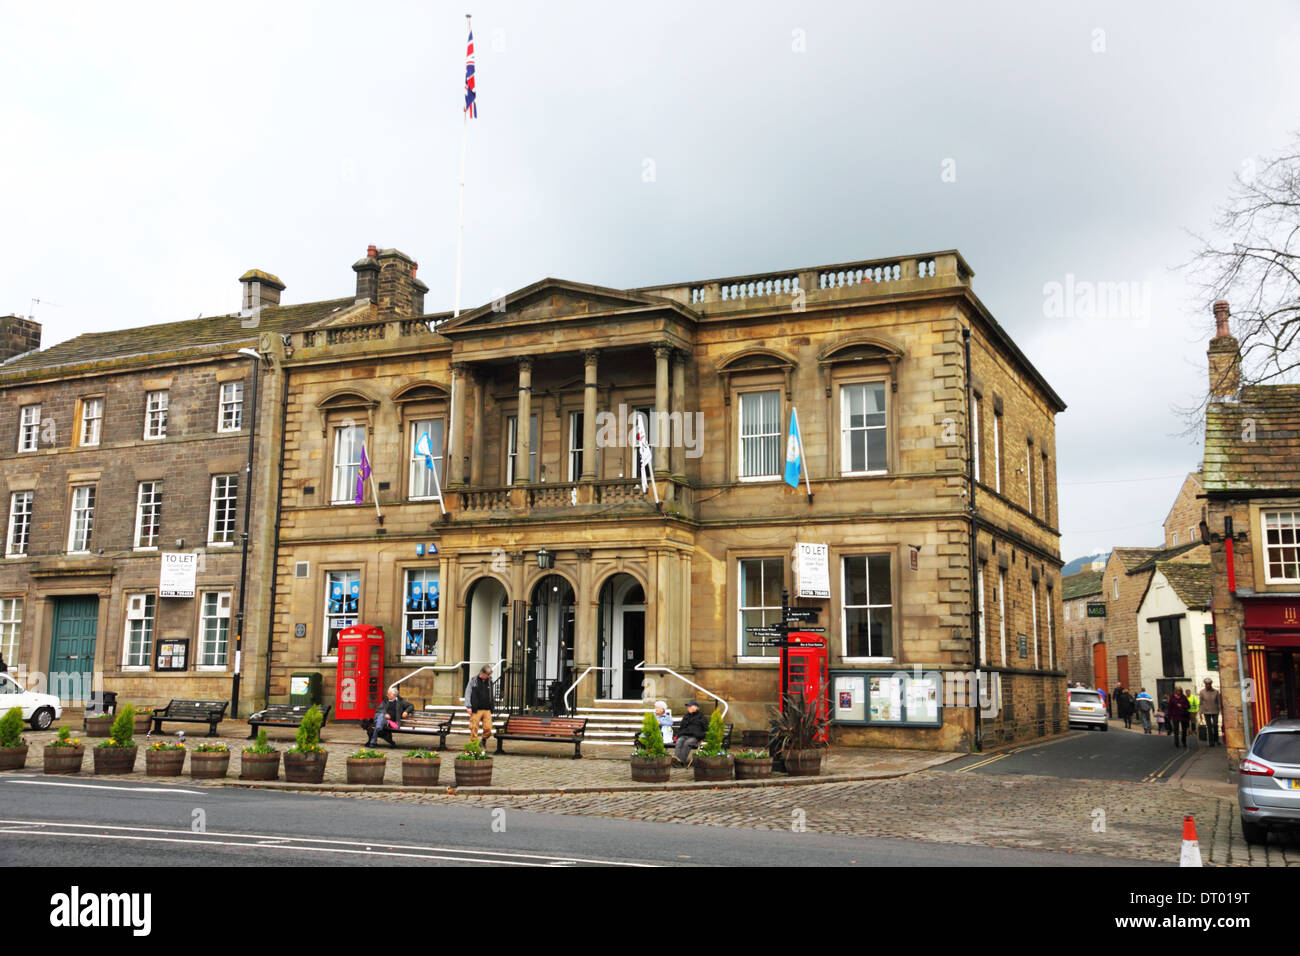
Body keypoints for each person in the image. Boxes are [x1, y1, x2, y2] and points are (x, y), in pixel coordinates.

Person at [463, 665, 495, 750]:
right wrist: (468, 706)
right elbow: (468, 693)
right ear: (482, 673)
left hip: (487, 708)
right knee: (473, 727)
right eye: (488, 675)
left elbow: (491, 694)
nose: (489, 676)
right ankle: (474, 745)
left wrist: (492, 705)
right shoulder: (473, 680)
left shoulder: (489, 681)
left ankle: (483, 740)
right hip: (476, 708)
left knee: (488, 728)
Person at [673, 700, 708, 766]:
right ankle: (676, 760)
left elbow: (706, 729)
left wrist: (700, 736)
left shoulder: (702, 717)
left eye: (690, 706)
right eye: (688, 706)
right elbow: (681, 727)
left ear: (696, 707)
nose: (688, 707)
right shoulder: (686, 716)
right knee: (679, 741)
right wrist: (679, 734)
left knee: (687, 743)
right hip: (684, 735)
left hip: (695, 737)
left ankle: (681, 762)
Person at [1200, 678, 1222, 747]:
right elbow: (1201, 703)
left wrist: (1220, 710)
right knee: (1209, 727)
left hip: (1215, 711)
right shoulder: (1202, 692)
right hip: (1206, 712)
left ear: (1211, 684)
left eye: (1209, 684)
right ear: (1205, 684)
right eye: (1207, 684)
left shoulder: (1216, 691)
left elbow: (1218, 702)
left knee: (1215, 725)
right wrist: (1200, 712)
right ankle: (1211, 742)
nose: (1208, 685)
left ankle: (1216, 739)